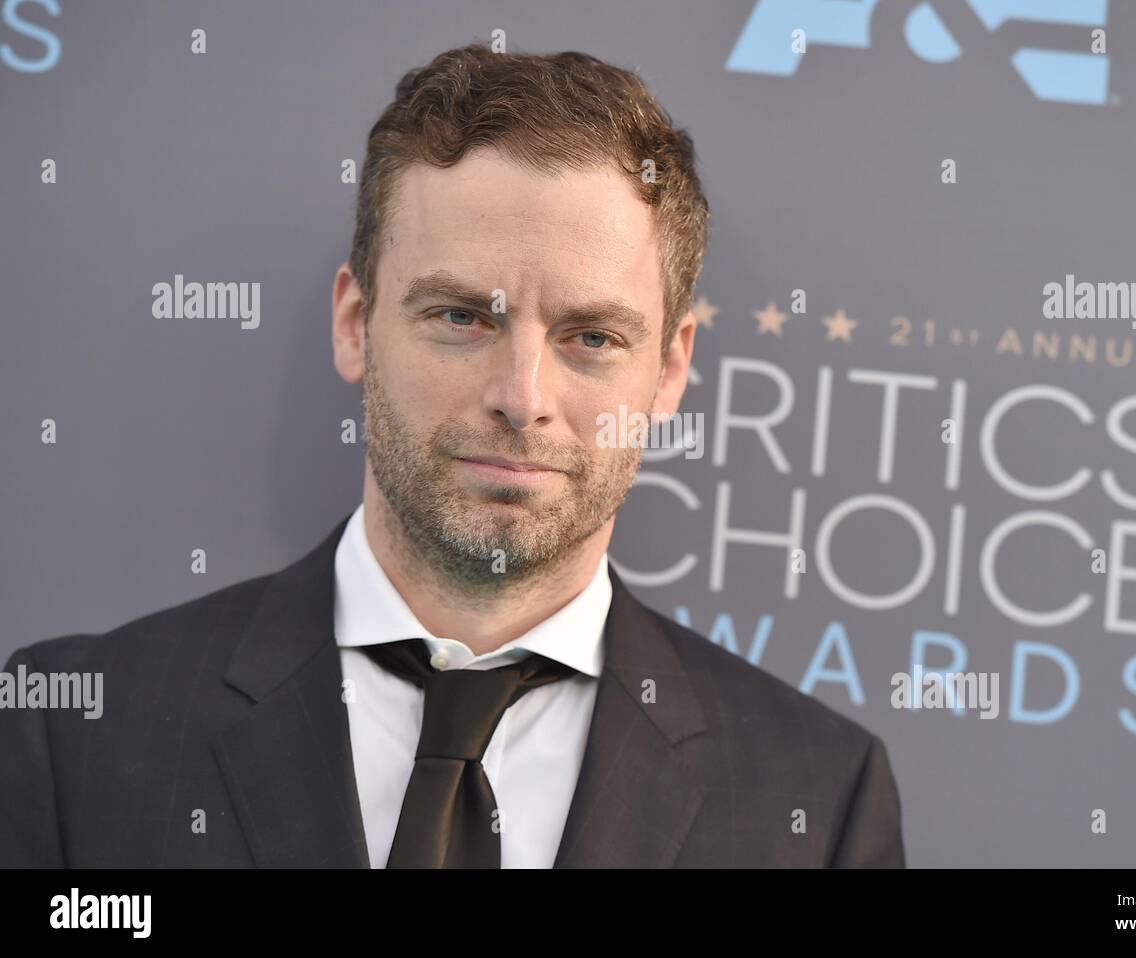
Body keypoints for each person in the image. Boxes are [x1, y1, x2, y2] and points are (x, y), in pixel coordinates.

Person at [0, 43, 904, 868]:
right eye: (462, 317)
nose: (523, 397)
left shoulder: (819, 800)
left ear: (669, 374)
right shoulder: (73, 731)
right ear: (357, 326)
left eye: (591, 336)